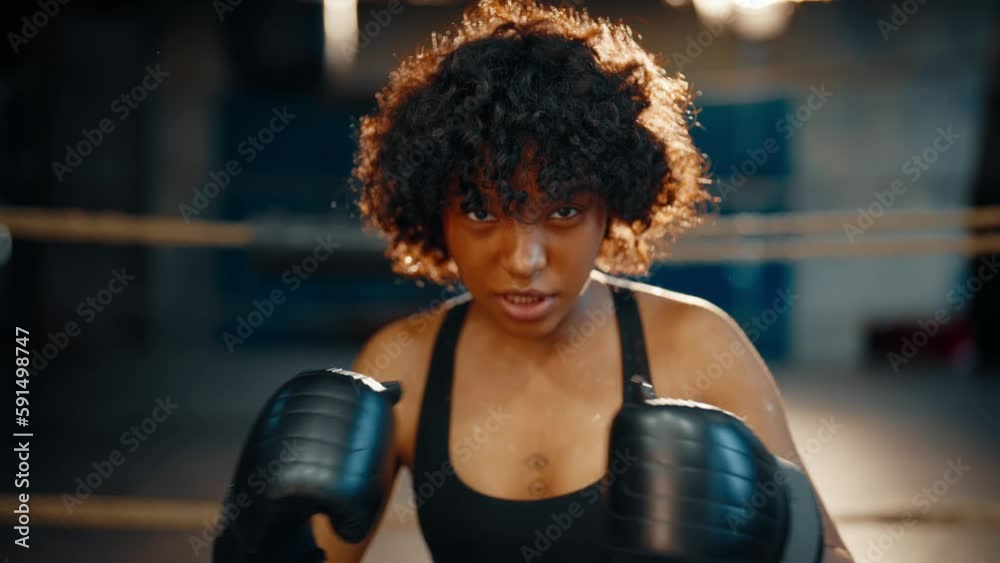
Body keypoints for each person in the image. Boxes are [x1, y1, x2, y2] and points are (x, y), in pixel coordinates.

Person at [215, 1, 854, 561]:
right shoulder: (402, 364)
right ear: (433, 210)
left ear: (613, 207)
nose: (524, 259)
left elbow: (831, 554)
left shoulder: (698, 347)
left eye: (564, 212)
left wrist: (774, 544)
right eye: (481, 211)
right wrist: (258, 545)